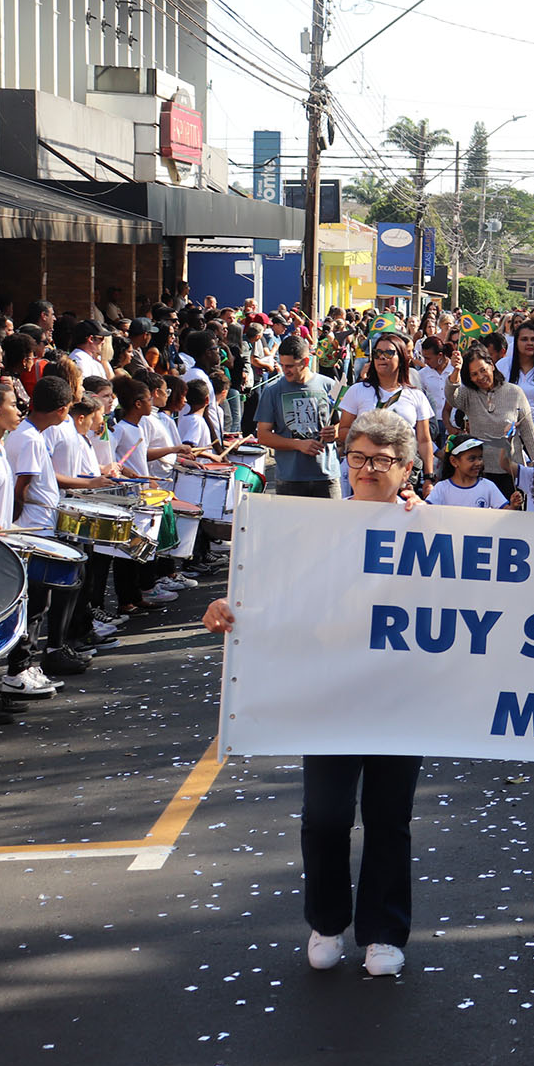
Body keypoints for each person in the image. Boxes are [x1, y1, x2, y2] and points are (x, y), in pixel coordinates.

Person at [203, 409, 424, 977]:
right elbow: (270, 592)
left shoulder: (430, 526)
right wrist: (231, 609)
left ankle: (382, 931)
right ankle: (327, 922)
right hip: (326, 695)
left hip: (401, 697)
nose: (367, 469)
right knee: (324, 816)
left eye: (381, 460)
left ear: (405, 467)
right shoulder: (310, 526)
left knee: (387, 816)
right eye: (357, 458)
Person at [338, 328, 435, 494]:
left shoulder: (416, 395)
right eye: (377, 353)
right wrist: (370, 440)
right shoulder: (358, 390)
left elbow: (425, 440)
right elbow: (343, 431)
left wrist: (429, 477)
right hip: (366, 472)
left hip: (402, 473)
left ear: (402, 358)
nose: (382, 357)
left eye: (389, 353)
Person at [254, 335, 340, 499]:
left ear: (306, 362)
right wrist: (297, 445)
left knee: (330, 524)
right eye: (282, 365)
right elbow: (263, 435)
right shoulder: (272, 390)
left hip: (326, 476)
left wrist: (334, 432)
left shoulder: (330, 386)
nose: (285, 370)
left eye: (290, 366)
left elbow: (342, 426)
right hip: (290, 479)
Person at [448, 346, 534, 501]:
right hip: (480, 471)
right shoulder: (468, 394)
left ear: (492, 365)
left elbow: (529, 433)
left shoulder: (514, 392)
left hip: (511, 470)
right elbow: (452, 397)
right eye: (474, 374)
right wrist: (456, 371)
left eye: (483, 370)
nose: (480, 377)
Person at [426, 434, 513, 510]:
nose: (478, 463)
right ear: (454, 461)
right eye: (472, 459)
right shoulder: (441, 488)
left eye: (480, 458)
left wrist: (513, 505)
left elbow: (505, 512)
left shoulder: (488, 486)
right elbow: (427, 510)